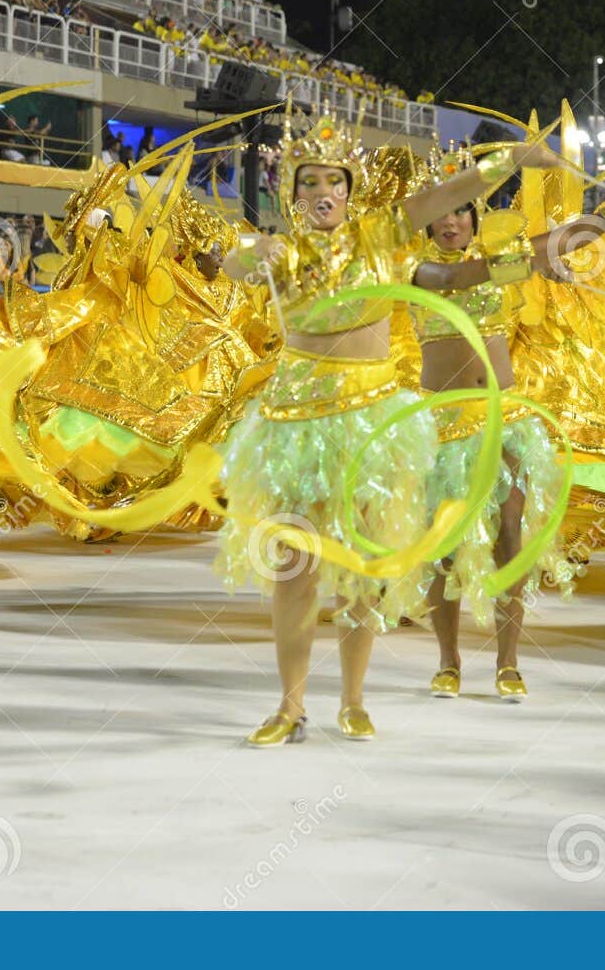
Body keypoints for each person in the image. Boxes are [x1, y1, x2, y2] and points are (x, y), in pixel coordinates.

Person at [219, 107, 562, 746]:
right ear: (292, 194)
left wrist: (512, 159)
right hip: (296, 423)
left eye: (335, 182)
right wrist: (250, 250)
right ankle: (290, 706)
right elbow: (230, 264)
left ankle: (353, 698)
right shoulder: (283, 253)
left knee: (366, 562)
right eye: (311, 183)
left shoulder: (381, 236)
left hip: (369, 418)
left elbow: (449, 192)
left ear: (351, 191)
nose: (324, 194)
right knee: (294, 564)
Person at [406, 146, 605, 700]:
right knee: (442, 542)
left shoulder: (502, 258)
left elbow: (572, 237)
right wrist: (537, 260)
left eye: (462, 211)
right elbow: (456, 278)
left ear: (475, 216)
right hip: (442, 421)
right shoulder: (414, 268)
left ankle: (508, 661)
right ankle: (447, 661)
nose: (450, 221)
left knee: (509, 536)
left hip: (503, 416)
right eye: (442, 211)